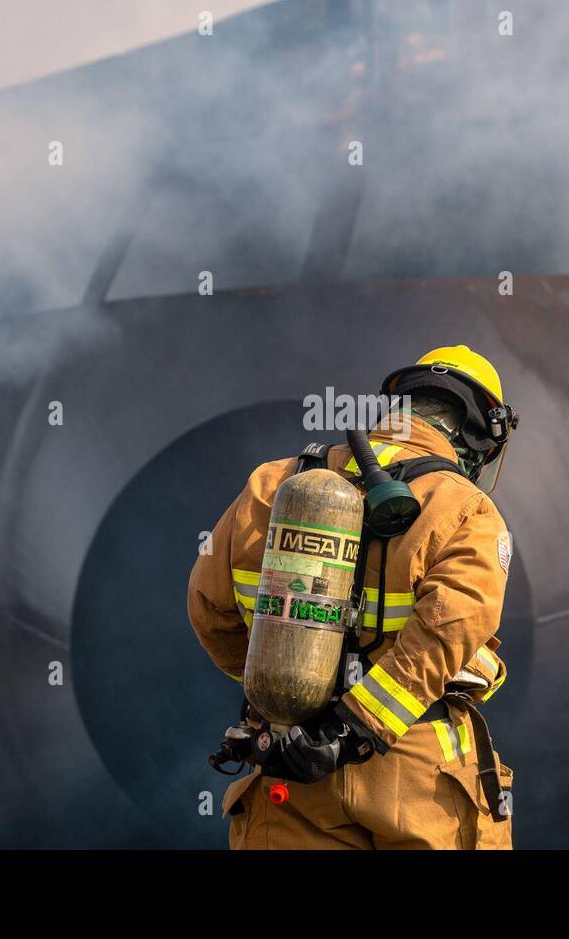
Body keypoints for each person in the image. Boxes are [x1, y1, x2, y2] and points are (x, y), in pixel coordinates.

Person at [188, 345, 519, 849]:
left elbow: (209, 610)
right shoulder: (467, 508)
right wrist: (352, 730)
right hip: (416, 770)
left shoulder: (272, 483)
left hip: (290, 755)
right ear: (480, 434)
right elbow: (448, 630)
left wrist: (288, 686)